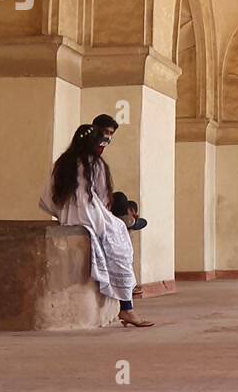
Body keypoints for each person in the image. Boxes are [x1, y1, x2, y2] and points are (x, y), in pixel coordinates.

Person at [39, 124, 153, 327]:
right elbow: (102, 195)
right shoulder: (94, 163)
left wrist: (63, 213)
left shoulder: (62, 163)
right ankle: (127, 308)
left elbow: (48, 198)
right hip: (91, 213)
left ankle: (129, 223)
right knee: (120, 241)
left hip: (68, 215)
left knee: (116, 232)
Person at [92, 113, 145, 296]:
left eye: (110, 133)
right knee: (120, 239)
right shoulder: (88, 161)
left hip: (99, 206)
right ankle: (126, 300)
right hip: (89, 210)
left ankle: (127, 219)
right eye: (105, 132)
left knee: (122, 199)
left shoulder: (96, 160)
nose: (107, 137)